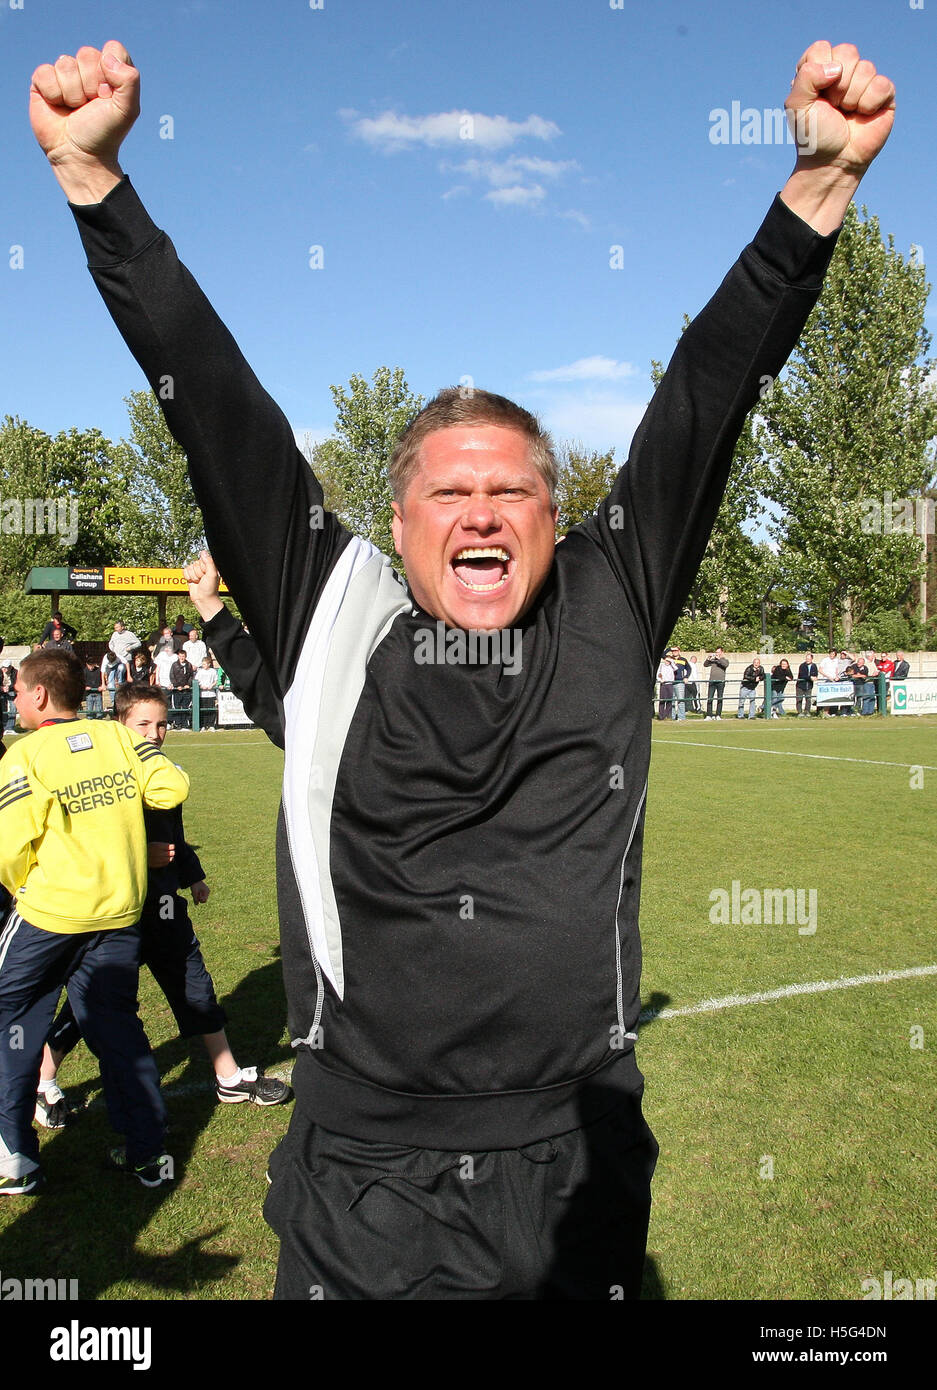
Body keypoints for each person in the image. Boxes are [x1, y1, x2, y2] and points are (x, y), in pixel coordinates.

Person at [31, 36, 894, 1298]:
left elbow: (712, 393)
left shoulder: (611, 597)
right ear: (397, 523)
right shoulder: (331, 609)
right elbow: (211, 403)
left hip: (573, 1161)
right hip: (360, 1173)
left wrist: (815, 189)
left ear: (559, 517)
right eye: (449, 491)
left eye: (511, 490)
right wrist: (98, 184)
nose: (481, 512)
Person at [38, 684, 290, 1119]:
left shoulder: (162, 771)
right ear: (119, 725)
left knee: (194, 984)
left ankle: (228, 1077)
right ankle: (43, 1081)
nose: (154, 733)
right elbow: (81, 843)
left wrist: (192, 876)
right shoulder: (104, 777)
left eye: (161, 724)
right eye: (143, 724)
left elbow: (174, 834)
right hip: (117, 913)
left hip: (164, 908)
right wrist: (139, 851)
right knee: (96, 1003)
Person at [0, 649, 189, 1193]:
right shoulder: (118, 738)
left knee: (12, 1023)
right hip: (119, 913)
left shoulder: (26, 755)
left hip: (51, 914)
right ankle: (148, 1153)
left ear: (38, 694)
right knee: (117, 1026)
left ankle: (14, 1158)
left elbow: (9, 847)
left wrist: (24, 890)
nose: (15, 700)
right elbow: (170, 790)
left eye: (17, 691)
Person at [169, 653, 194, 729]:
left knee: (185, 706)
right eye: (180, 656)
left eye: (183, 656)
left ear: (185, 656)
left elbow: (191, 675)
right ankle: (177, 724)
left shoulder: (189, 665)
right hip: (177, 690)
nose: (182, 658)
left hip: (186, 690)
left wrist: (188, 684)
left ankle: (185, 724)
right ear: (178, 656)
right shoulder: (174, 665)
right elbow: (172, 676)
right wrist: (177, 685)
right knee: (176, 706)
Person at [194, 656, 218, 728]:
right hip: (202, 694)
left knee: (211, 709)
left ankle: (211, 725)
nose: (203, 665)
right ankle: (203, 725)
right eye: (203, 664)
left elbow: (216, 681)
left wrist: (212, 685)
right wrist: (201, 686)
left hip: (211, 694)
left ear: (209, 664)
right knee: (203, 710)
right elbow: (196, 681)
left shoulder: (213, 671)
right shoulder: (200, 671)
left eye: (205, 664)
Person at [703, 647, 728, 719]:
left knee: (719, 698)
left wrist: (718, 659)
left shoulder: (725, 660)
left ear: (722, 652)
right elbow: (705, 664)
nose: (717, 653)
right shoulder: (713, 660)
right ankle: (709, 715)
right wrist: (708, 658)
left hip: (720, 681)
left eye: (718, 652)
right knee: (710, 698)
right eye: (716, 652)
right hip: (712, 681)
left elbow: (725, 665)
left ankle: (718, 715)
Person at [795, 651, 818, 716]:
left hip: (809, 686)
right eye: (807, 658)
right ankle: (799, 712)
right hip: (800, 685)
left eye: (809, 659)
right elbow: (802, 675)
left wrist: (814, 677)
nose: (807, 660)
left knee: (808, 699)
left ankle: (807, 711)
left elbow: (815, 674)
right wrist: (810, 677)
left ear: (812, 659)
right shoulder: (802, 666)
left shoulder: (814, 666)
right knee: (799, 699)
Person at [670, 647, 690, 721]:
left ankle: (681, 717)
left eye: (676, 650)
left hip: (680, 682)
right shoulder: (669, 658)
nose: (674, 652)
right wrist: (669, 648)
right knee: (671, 700)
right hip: (670, 682)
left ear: (679, 651)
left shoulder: (683, 660)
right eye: (673, 651)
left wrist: (686, 677)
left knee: (680, 700)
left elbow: (689, 669)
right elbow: (663, 654)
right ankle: (672, 717)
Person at [656, 651, 675, 721]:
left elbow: (676, 668)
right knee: (662, 700)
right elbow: (658, 674)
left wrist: (671, 661)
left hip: (670, 684)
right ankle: (661, 716)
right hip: (663, 684)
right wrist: (660, 679)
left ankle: (668, 715)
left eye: (668, 660)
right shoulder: (661, 666)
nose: (666, 662)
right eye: (666, 660)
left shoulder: (672, 666)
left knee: (669, 700)